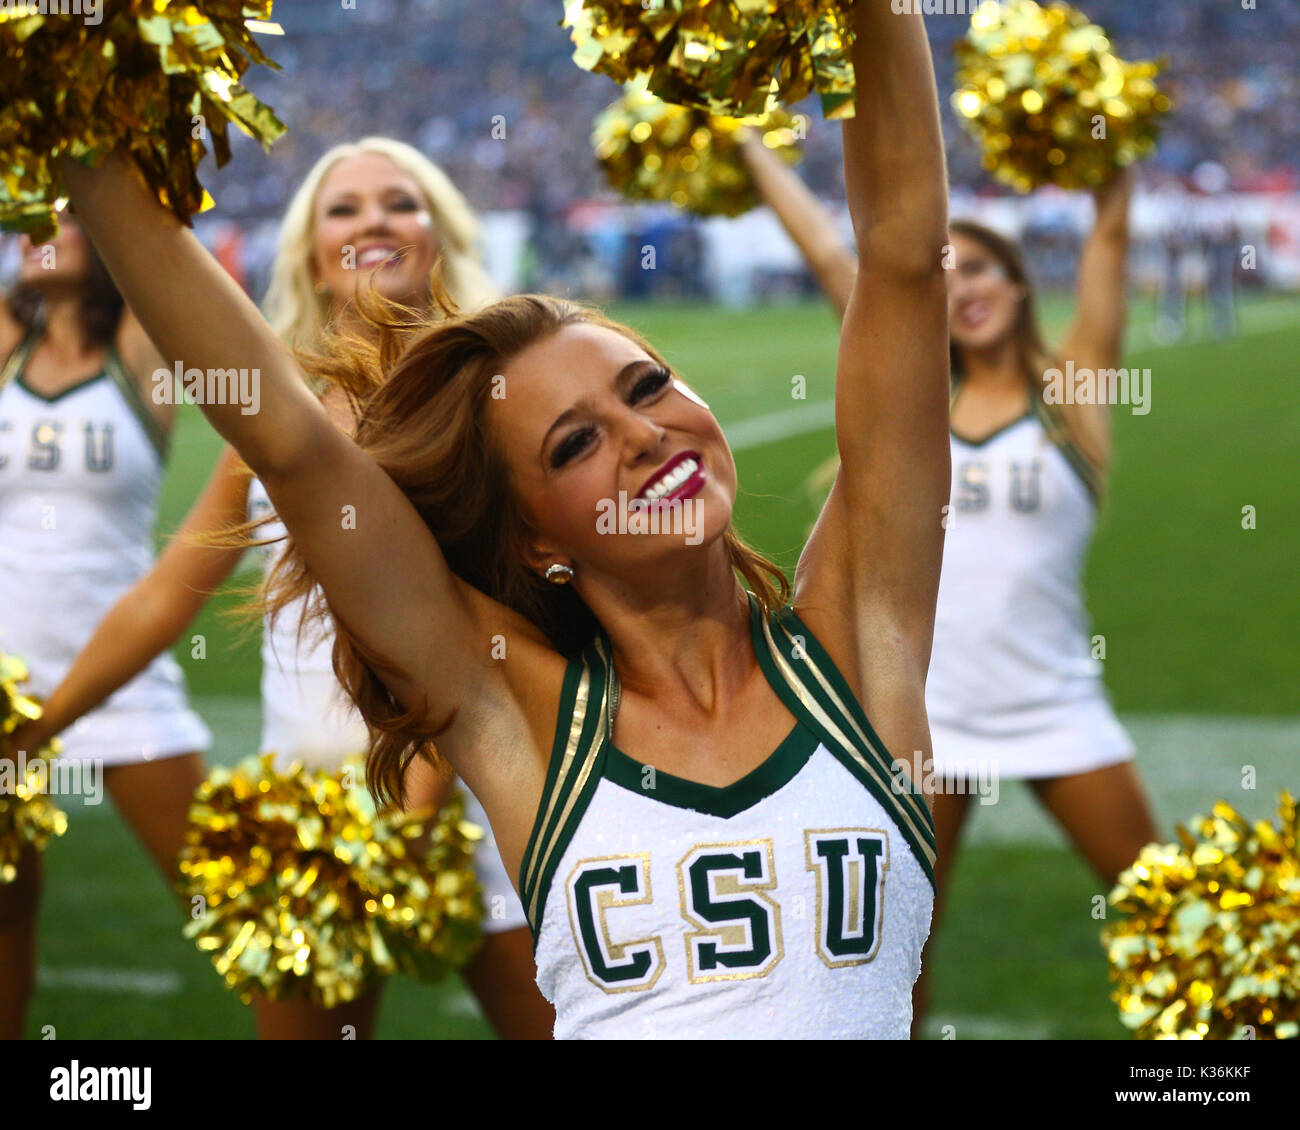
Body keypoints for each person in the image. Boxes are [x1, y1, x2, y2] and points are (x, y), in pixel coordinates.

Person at [60, 1, 947, 1038]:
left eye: (649, 384)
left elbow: (901, 260)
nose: (644, 434)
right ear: (535, 540)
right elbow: (294, 448)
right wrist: (73, 121)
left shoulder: (859, 642)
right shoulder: (514, 712)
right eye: (573, 444)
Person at [7, 138, 554, 1040]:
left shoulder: (497, 398)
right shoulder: (275, 416)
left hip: (491, 805)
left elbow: (490, 634)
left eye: (399, 202)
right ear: (308, 252)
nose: (373, 220)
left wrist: (411, 814)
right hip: (309, 827)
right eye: (343, 209)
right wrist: (39, 728)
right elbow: (165, 596)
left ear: (442, 234)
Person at [748, 137, 1161, 1035]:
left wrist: (1103, 134)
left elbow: (1112, 232)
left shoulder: (1073, 395)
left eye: (979, 267)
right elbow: (831, 252)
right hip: (920, 713)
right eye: (943, 274)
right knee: (901, 945)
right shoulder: (910, 405)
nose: (963, 286)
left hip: (1056, 701)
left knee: (1167, 905)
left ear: (1016, 283)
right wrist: (749, 148)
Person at [0, 219, 212, 1039]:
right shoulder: (10, 345)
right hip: (4, 691)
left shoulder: (141, 347)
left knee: (225, 902)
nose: (39, 228)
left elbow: (163, 235)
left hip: (123, 682)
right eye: (29, 216)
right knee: (7, 926)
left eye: (65, 217)